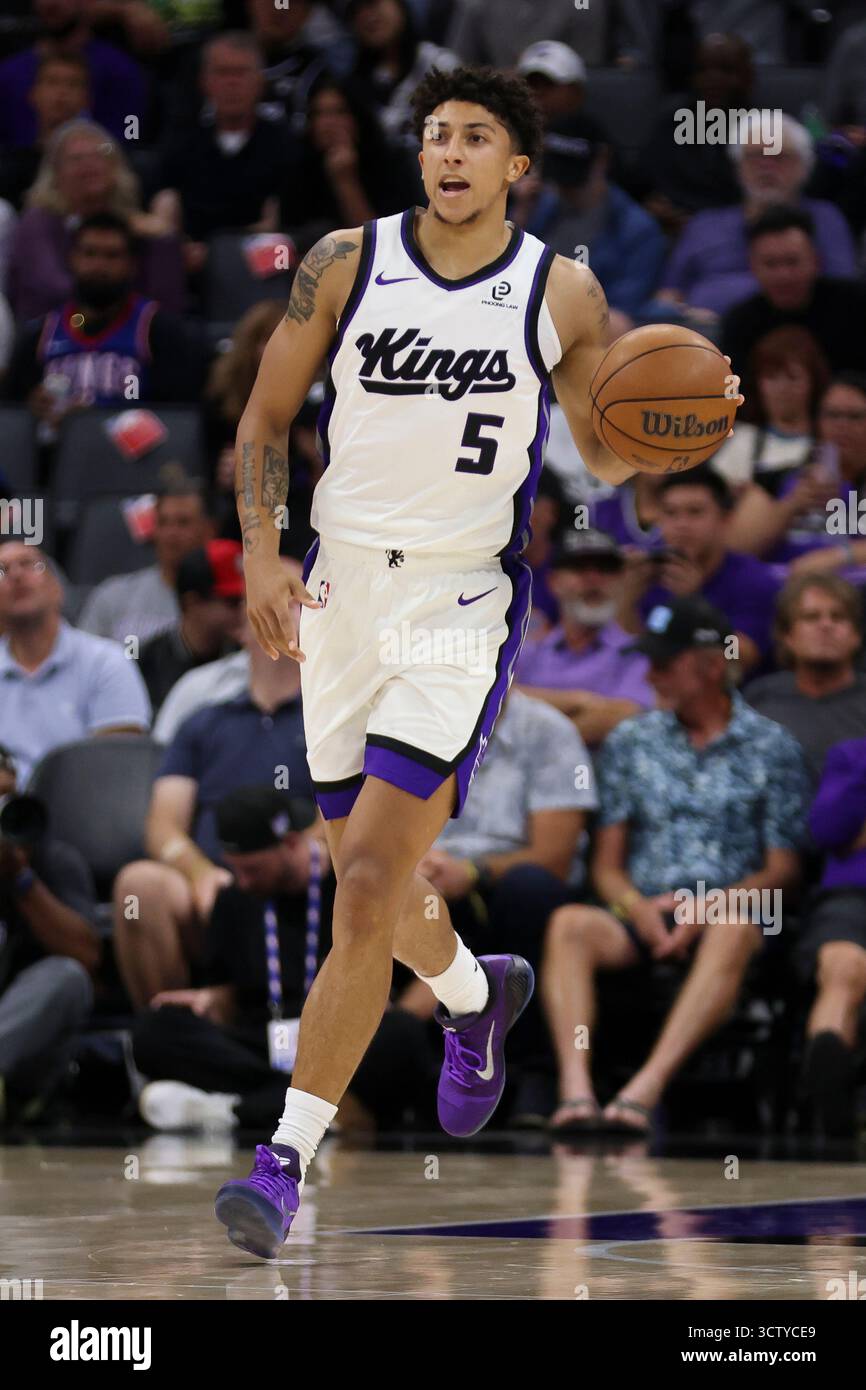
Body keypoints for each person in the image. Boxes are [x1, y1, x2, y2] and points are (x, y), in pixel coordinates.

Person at [213, 62, 700, 1258]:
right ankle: (479, 998)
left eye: (475, 137)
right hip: (335, 587)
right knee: (370, 879)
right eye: (435, 134)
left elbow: (602, 447)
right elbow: (265, 419)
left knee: (367, 882)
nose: (448, 153)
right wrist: (263, 560)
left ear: (515, 168)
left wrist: (682, 426)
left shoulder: (563, 290)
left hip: (459, 597)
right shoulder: (342, 259)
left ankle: (284, 1160)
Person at [540, 596, 809, 1135]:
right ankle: (576, 1089)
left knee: (735, 928)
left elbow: (783, 868)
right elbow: (607, 865)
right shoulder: (631, 741)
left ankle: (645, 1090)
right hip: (644, 910)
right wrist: (634, 907)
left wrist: (710, 904)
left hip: (730, 908)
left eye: (667, 661)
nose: (652, 672)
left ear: (712, 665)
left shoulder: (771, 746)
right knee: (569, 924)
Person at [134, 786, 440, 1134]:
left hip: (344, 1039)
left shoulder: (357, 885)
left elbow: (428, 969)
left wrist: (387, 1009)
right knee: (153, 1028)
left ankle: (237, 1109)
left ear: (292, 843)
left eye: (253, 869)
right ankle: (313, 1110)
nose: (243, 881)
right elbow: (230, 992)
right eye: (235, 869)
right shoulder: (235, 896)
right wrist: (210, 1000)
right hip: (267, 1040)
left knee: (403, 1034)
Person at [112, 580, 313, 1011]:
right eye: (267, 595)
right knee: (140, 885)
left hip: (301, 881)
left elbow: (355, 811)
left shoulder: (337, 719)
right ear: (240, 626)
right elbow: (163, 823)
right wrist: (201, 874)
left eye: (297, 599)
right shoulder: (203, 722)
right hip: (212, 887)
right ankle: (173, 1037)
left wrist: (305, 855)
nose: (281, 606)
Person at [3, 213, 208, 429]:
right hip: (57, 456)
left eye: (112, 256)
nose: (99, 265)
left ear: (132, 264)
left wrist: (93, 422)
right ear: (72, 259)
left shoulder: (162, 333)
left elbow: (179, 422)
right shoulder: (40, 335)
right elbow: (11, 418)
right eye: (89, 254)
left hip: (132, 458)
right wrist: (30, 411)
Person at [656, 116, 857, 320]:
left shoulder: (826, 220)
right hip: (703, 340)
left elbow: (843, 298)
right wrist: (684, 317)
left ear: (805, 167)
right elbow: (668, 296)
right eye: (755, 156)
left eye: (779, 156)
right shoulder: (704, 225)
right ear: (738, 165)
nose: (766, 166)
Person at [0, 743, 100, 1124]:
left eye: (8, 797)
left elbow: (86, 957)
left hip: (18, 1037)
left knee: (67, 978)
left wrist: (21, 880)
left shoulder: (51, 859)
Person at [0, 542, 151, 784]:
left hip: (80, 814)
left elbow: (120, 769)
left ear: (57, 589)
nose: (16, 575)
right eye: (2, 571)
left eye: (29, 564)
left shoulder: (107, 662)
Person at [5, 119, 185, 322]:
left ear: (116, 169)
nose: (88, 165)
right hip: (51, 334)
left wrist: (162, 240)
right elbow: (52, 290)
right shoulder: (38, 222)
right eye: (76, 158)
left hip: (130, 336)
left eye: (99, 156)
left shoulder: (132, 224)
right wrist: (112, 304)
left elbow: (166, 305)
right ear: (55, 173)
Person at [152, 32, 295, 275]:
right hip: (188, 267)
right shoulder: (181, 144)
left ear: (260, 81)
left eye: (240, 73)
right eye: (222, 72)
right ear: (204, 82)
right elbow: (164, 209)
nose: (232, 83)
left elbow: (284, 223)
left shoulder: (285, 145)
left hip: (259, 267)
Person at [618, 465, 781, 677]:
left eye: (695, 512)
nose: (681, 524)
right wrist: (628, 598)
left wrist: (693, 605)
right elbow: (629, 655)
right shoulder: (654, 574)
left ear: (725, 519)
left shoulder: (755, 581)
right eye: (670, 513)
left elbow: (737, 657)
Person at [521, 113, 666, 324]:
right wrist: (520, 216)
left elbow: (621, 314)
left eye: (573, 180)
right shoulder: (536, 207)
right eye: (558, 178)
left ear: (602, 160)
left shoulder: (637, 230)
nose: (564, 188)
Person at [515, 528, 655, 746]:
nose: (593, 579)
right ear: (554, 582)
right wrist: (580, 700)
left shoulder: (638, 654)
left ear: (621, 580)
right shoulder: (528, 652)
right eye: (579, 568)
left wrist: (533, 734)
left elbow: (624, 715)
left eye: (606, 569)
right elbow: (498, 703)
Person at [796, 737, 866, 1136]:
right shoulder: (850, 755)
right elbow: (828, 831)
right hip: (853, 895)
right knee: (843, 963)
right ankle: (829, 1069)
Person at [726, 374, 866, 569]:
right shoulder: (778, 480)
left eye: (855, 416)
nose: (842, 425)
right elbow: (734, 550)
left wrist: (837, 557)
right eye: (833, 415)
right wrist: (792, 505)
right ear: (818, 421)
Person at [720, 206, 866, 389]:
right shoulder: (739, 323)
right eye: (770, 264)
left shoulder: (857, 305)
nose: (783, 275)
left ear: (816, 261)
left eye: (792, 261)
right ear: (753, 267)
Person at [745, 574, 866, 784]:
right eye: (811, 617)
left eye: (838, 617)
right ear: (787, 636)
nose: (826, 625)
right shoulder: (759, 699)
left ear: (856, 636)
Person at [280, 73, 419, 243]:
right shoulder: (295, 165)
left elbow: (382, 245)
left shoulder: (391, 165)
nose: (328, 123)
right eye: (319, 113)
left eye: (339, 112)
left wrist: (345, 181)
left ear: (358, 118)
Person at [78, 480, 215, 646]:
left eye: (183, 523)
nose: (171, 534)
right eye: (163, 522)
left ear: (209, 530)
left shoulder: (225, 604)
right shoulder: (112, 597)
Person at [639, 34, 750, 236]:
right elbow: (644, 187)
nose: (712, 79)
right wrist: (654, 207)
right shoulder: (670, 124)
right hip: (674, 231)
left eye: (725, 70)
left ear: (748, 77)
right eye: (702, 70)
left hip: (742, 234)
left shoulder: (767, 129)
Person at [0, 0, 146, 149]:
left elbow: (131, 137)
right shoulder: (6, 75)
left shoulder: (122, 71)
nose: (51, 3)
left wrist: (98, 155)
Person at [712, 326, 830, 493]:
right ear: (758, 383)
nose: (782, 388)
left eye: (792, 378)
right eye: (771, 377)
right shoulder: (741, 440)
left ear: (813, 382)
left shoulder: (830, 444)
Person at [137, 540, 246, 713]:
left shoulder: (249, 658)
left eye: (249, 601)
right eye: (233, 602)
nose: (245, 611)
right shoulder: (145, 664)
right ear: (192, 603)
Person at [347, 0, 459, 149]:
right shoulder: (353, 86)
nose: (367, 15)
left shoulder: (439, 65)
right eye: (356, 11)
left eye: (373, 3)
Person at [0, 53, 91, 212]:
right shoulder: (9, 167)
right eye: (52, 82)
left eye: (72, 84)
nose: (62, 92)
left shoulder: (98, 165)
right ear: (33, 94)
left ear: (87, 99)